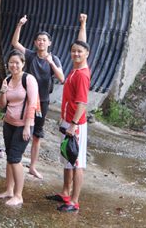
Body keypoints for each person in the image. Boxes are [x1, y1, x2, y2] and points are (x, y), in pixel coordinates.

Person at [11, 15, 69, 179]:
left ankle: (33, 166)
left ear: (49, 43)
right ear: (35, 43)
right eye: (39, 40)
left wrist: (51, 62)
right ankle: (18, 160)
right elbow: (15, 44)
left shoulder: (54, 58)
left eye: (44, 40)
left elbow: (62, 78)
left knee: (37, 134)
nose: (41, 42)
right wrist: (19, 25)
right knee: (23, 128)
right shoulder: (30, 56)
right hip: (27, 99)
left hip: (42, 101)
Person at [54, 13, 91, 213]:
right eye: (73, 51)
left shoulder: (82, 75)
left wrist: (74, 125)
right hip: (67, 121)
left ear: (87, 54)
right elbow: (81, 43)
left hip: (75, 124)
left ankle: (74, 202)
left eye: (79, 52)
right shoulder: (77, 68)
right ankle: (65, 193)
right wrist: (83, 24)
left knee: (77, 162)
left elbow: (83, 103)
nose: (76, 54)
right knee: (67, 158)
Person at [0, 50, 39, 206]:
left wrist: (27, 126)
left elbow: (32, 104)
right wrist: (2, 91)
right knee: (9, 158)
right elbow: (1, 105)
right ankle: (9, 190)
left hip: (23, 126)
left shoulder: (29, 79)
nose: (13, 65)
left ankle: (19, 195)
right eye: (11, 62)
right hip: (9, 123)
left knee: (15, 158)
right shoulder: (7, 79)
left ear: (23, 64)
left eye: (17, 63)